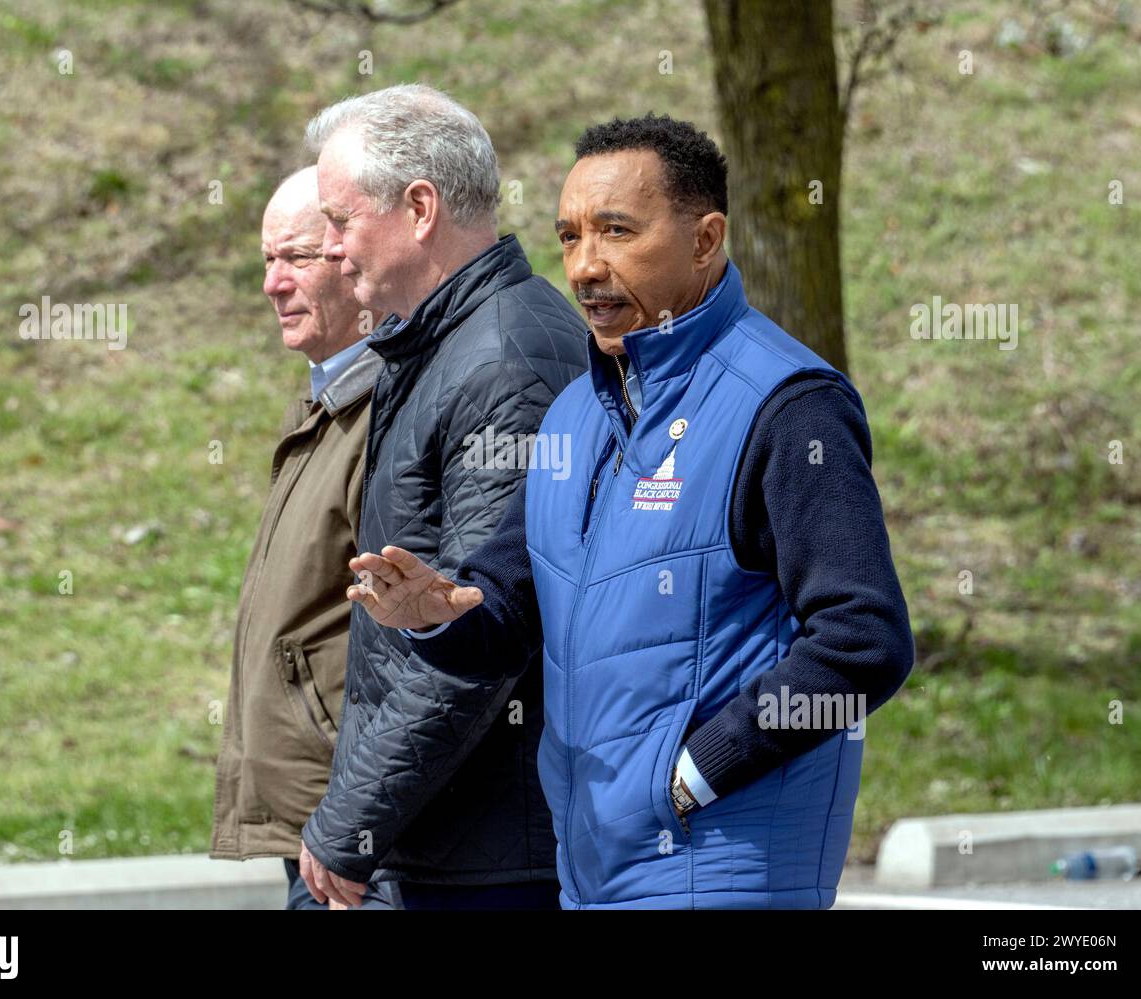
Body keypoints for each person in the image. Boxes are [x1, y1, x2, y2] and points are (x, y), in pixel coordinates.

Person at [347, 114, 916, 909]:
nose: (584, 266)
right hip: (590, 877)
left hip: (719, 873)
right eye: (570, 235)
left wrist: (693, 772)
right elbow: (508, 605)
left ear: (706, 239)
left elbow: (865, 642)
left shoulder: (788, 406)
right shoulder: (574, 414)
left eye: (616, 231)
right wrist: (438, 610)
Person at [297, 85, 586, 911]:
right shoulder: (445, 342)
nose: (328, 249)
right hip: (446, 840)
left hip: (487, 858)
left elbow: (480, 626)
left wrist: (355, 819)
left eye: (340, 220)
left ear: (419, 207)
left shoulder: (504, 359)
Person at [209, 167, 398, 910]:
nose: (271, 284)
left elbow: (406, 644)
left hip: (354, 842)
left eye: (294, 258)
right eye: (265, 261)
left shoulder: (383, 408)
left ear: (351, 262)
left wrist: (354, 818)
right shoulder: (328, 399)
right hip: (318, 832)